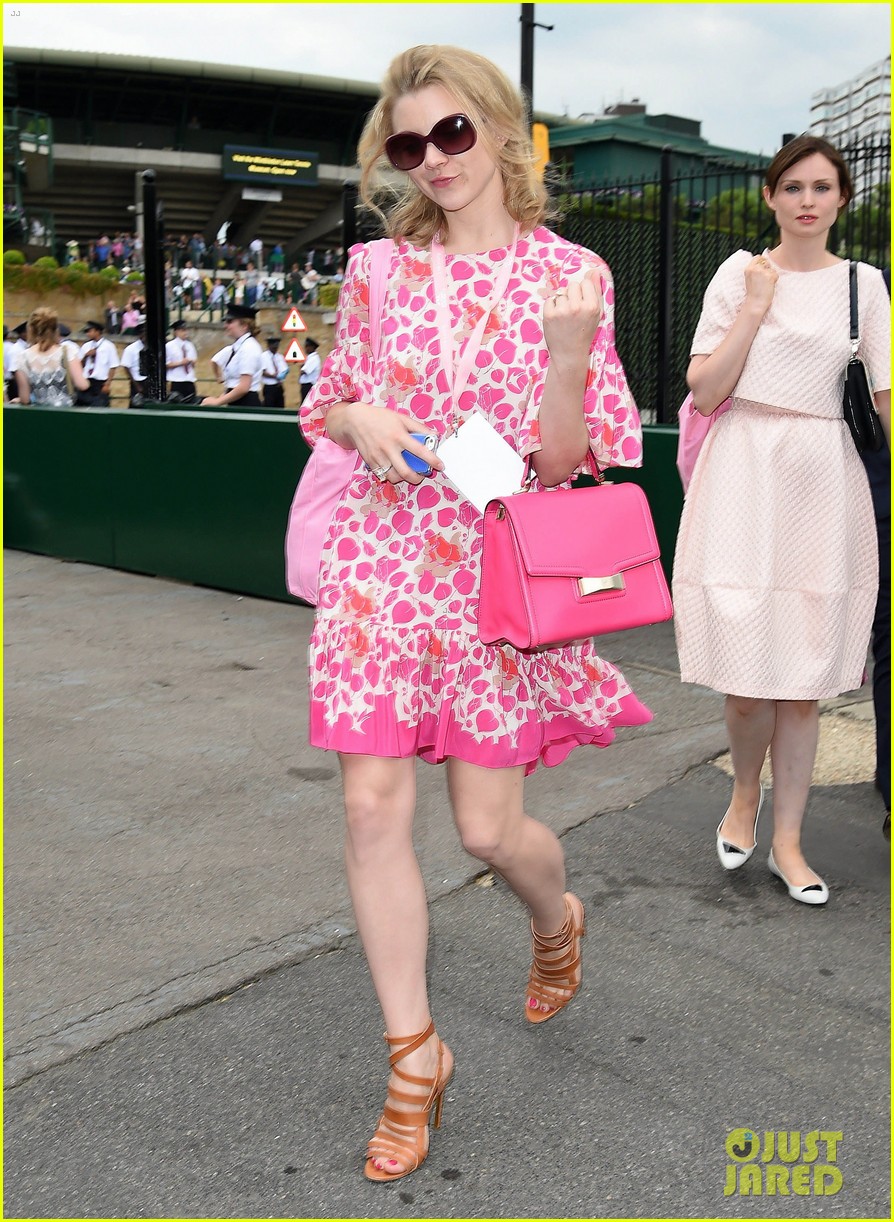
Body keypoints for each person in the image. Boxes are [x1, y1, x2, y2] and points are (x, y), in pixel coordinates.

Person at [298, 44, 649, 1183]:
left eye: (452, 133)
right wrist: (355, 418)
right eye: (409, 144)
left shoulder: (573, 273)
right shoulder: (377, 270)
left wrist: (566, 354)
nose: (434, 160)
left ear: (500, 129)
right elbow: (331, 394)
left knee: (489, 833)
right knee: (369, 806)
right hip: (380, 556)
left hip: (495, 571)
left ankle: (556, 917)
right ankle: (415, 1060)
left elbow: (566, 462)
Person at [673, 135, 891, 905]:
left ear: (842, 199)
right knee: (745, 682)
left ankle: (789, 844)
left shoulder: (866, 285)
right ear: (770, 196)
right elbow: (705, 391)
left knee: (802, 685)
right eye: (792, 186)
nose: (806, 201)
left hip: (824, 481)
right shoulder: (739, 273)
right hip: (743, 472)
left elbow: (885, 398)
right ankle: (744, 793)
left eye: (821, 187)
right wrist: (756, 308)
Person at [13, 307, 89, 406]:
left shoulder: (23, 357)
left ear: (31, 329)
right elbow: (82, 385)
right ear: (56, 329)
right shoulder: (67, 351)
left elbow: (25, 399)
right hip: (66, 411)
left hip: (39, 412)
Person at [200, 304, 263, 406]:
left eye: (230, 322)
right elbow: (234, 383)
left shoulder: (249, 347)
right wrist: (219, 398)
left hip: (246, 403)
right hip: (237, 401)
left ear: (244, 326)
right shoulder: (238, 347)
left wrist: (217, 402)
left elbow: (244, 387)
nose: (226, 326)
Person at [76, 319, 119, 406]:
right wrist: (86, 356)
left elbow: (113, 366)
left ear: (97, 331)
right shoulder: (86, 346)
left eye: (90, 331)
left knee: (100, 406)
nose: (88, 334)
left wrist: (107, 384)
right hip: (87, 381)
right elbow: (80, 365)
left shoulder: (108, 346)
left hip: (100, 382)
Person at [165, 319, 198, 402]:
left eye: (186, 330)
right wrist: (180, 363)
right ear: (176, 332)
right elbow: (167, 364)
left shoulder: (190, 345)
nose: (185, 332)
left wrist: (191, 362)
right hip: (177, 380)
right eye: (183, 330)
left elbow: (194, 361)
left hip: (189, 380)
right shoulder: (169, 346)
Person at [121, 321, 148, 407]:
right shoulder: (131, 349)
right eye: (142, 333)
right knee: (136, 405)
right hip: (137, 381)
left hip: (150, 382)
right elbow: (126, 367)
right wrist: (136, 385)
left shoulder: (154, 347)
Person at [260, 335, 288, 408]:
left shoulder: (279, 356)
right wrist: (274, 376)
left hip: (279, 386)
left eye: (277, 346)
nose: (276, 348)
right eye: (274, 346)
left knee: (280, 407)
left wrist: (283, 374)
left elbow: (285, 369)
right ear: (269, 345)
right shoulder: (264, 356)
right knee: (269, 407)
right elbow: (262, 372)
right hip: (269, 387)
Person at [297, 336, 321, 403]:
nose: (306, 348)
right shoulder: (310, 358)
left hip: (309, 386)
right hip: (306, 386)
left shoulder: (314, 358)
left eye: (307, 346)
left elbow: (304, 371)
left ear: (312, 347)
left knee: (307, 404)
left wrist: (301, 369)